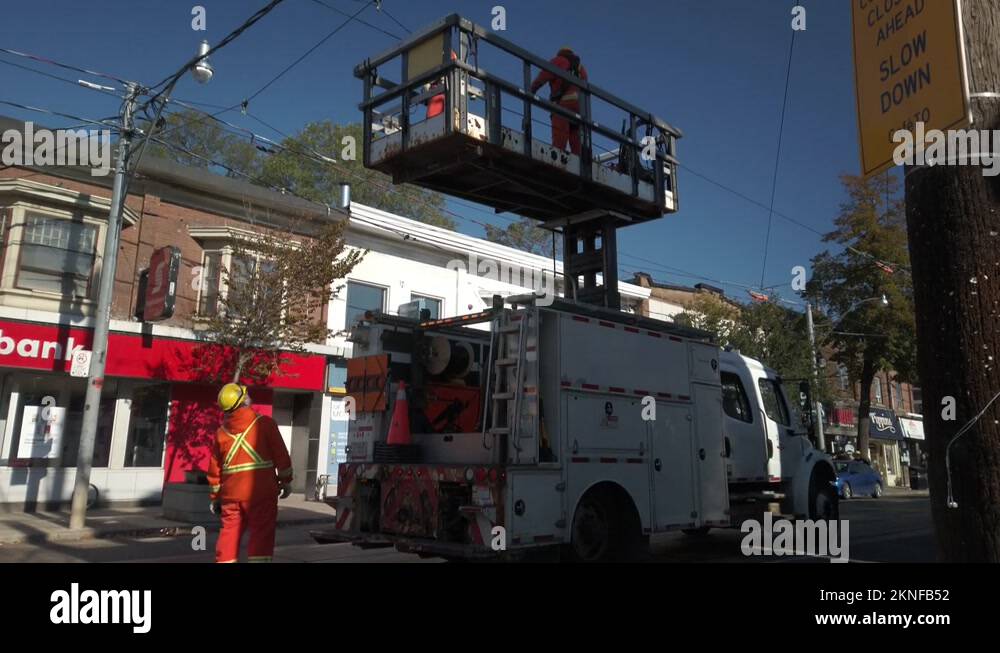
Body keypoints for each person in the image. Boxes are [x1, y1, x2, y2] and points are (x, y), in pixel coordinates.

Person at [207, 383, 293, 563]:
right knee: (261, 536)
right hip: (261, 493)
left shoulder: (221, 434)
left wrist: (215, 497)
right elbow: (282, 458)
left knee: (228, 536)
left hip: (231, 496)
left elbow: (215, 470)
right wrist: (285, 481)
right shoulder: (265, 424)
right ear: (245, 400)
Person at [529, 46, 589, 155]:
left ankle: (558, 158)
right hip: (580, 108)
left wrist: (531, 90)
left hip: (563, 104)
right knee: (576, 138)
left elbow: (543, 77)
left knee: (560, 138)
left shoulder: (558, 61)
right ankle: (579, 162)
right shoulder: (581, 69)